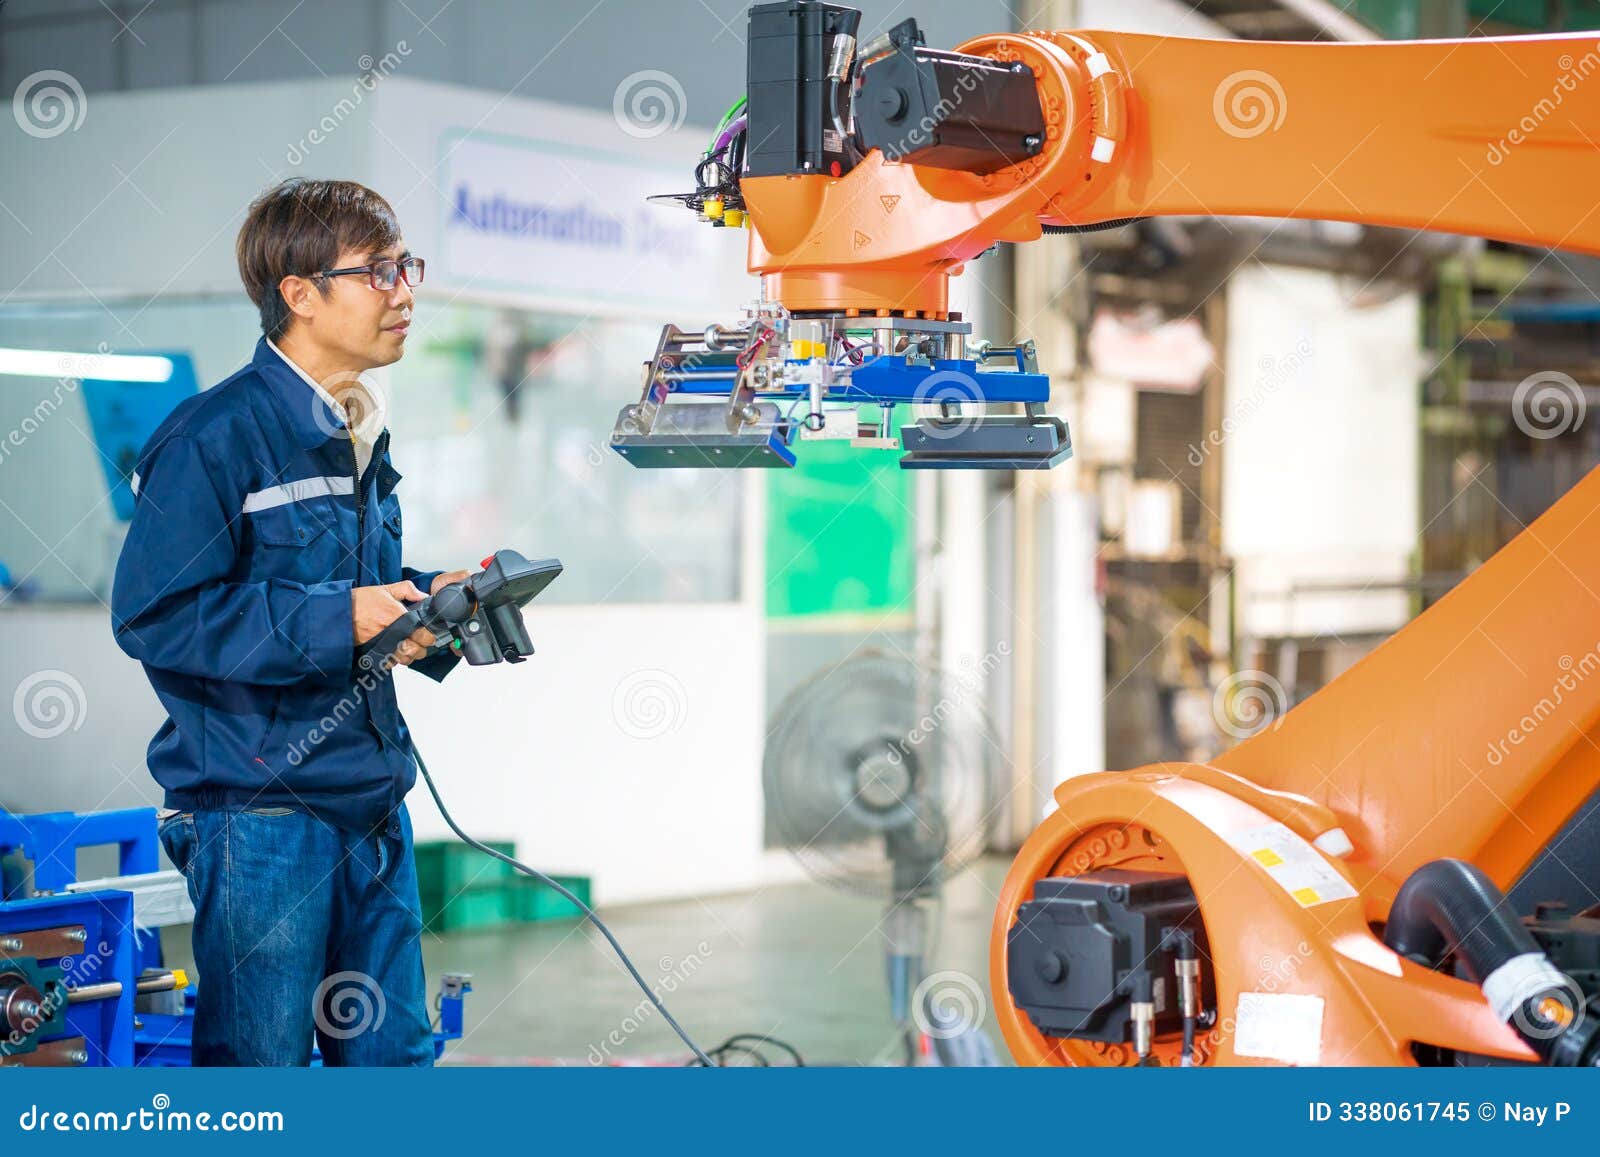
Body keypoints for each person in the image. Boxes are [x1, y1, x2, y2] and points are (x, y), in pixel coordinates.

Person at [111, 177, 470, 1066]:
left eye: (406, 267)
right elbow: (157, 616)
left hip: (370, 795)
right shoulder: (213, 438)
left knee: (391, 1062)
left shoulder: (357, 427)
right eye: (379, 272)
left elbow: (342, 590)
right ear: (300, 295)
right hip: (258, 813)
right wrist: (339, 618)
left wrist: (423, 601)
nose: (405, 292)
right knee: (260, 1074)